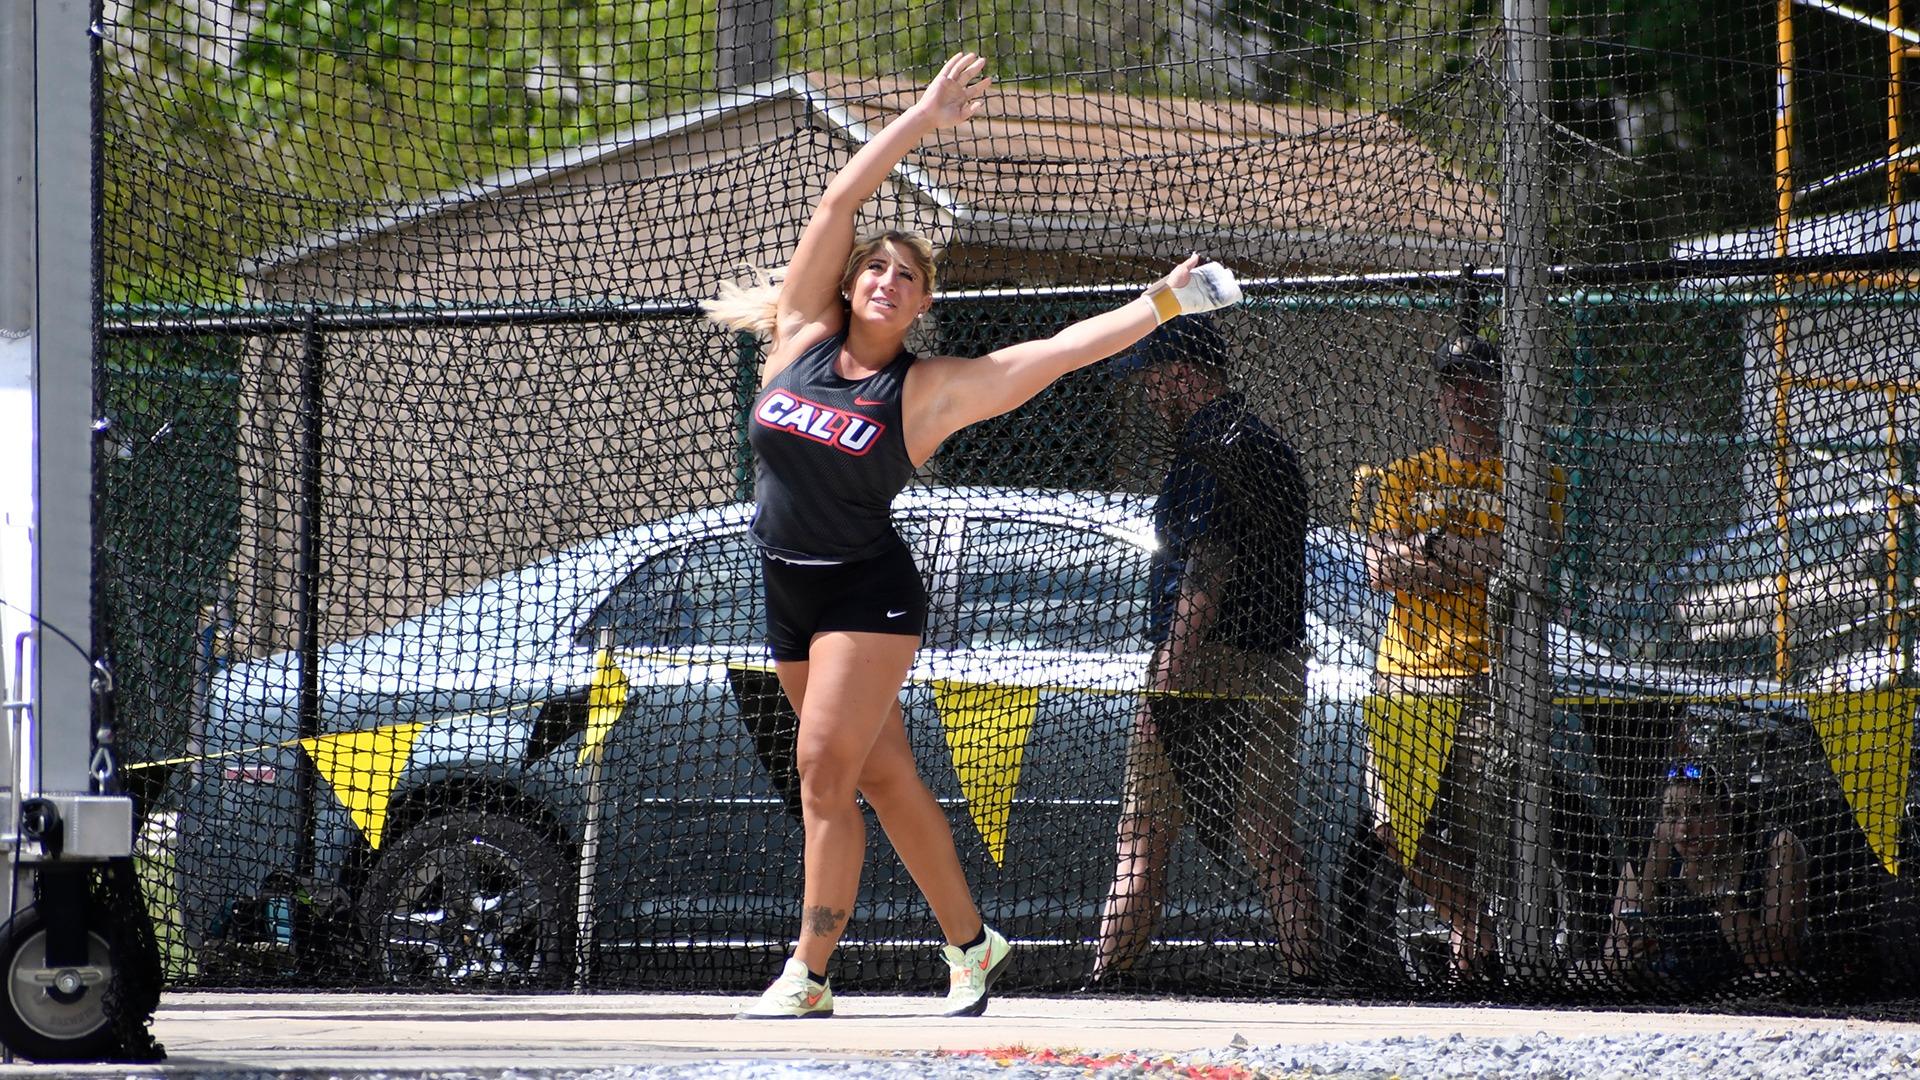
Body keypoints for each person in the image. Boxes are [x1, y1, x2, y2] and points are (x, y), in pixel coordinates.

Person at [701, 52, 1244, 1019]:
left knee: (823, 773)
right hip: (786, 588)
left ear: (922, 303)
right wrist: (921, 117)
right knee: (879, 773)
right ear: (851, 279)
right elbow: (838, 198)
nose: (886, 278)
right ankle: (973, 944)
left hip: (867, 593)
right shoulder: (794, 336)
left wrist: (1164, 301)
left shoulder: (928, 389)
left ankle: (810, 975)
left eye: (907, 276)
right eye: (877, 264)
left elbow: (1056, 352)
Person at [1088, 315, 1320, 986]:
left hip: (1203, 663)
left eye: (1154, 381)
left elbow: (1205, 571)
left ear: (1184, 375)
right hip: (1276, 664)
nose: (1149, 396)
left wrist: (1166, 677)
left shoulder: (1206, 453)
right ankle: (1312, 978)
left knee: (1142, 840)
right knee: (1269, 835)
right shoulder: (1270, 446)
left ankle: (1102, 984)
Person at [1362, 333, 1561, 982]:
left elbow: (1520, 563)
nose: (1464, 395)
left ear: (1501, 392)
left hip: (1486, 677)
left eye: (1477, 382)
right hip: (1404, 679)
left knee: (1493, 836)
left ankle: (1494, 951)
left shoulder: (1534, 479)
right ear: (1440, 393)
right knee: (1396, 827)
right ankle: (1470, 925)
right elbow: (1379, 569)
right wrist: (1461, 553)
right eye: (1453, 383)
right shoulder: (1405, 475)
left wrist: (1430, 548)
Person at [1601, 762, 1809, 984]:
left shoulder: (1776, 846)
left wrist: (1711, 893)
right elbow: (1614, 950)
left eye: (1698, 810)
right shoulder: (1658, 842)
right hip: (1674, 978)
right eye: (1672, 814)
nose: (1684, 826)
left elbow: (1778, 957)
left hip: (1748, 980)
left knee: (1776, 979)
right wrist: (1634, 955)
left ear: (1724, 810)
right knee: (1582, 970)